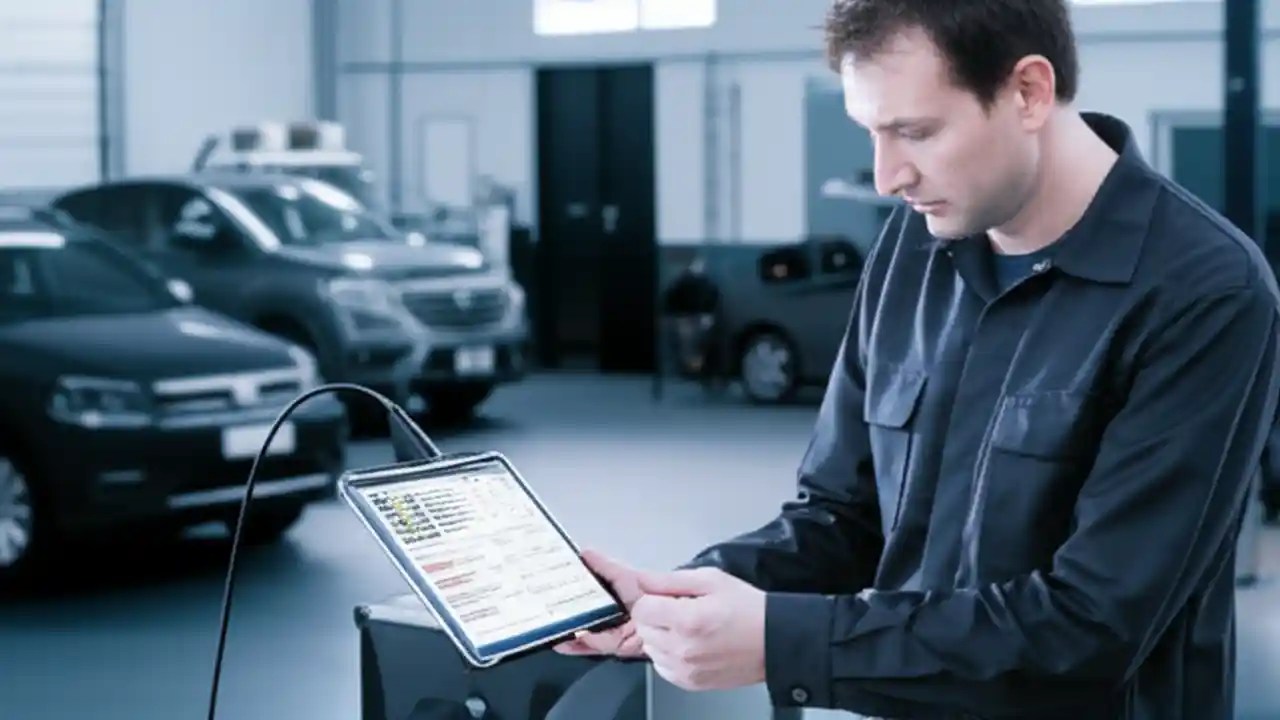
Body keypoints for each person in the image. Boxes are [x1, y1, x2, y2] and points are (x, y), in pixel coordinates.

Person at [557, 1, 1280, 718]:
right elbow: (842, 518)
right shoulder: (912, 248)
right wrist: (677, 598)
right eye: (872, 133)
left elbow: (1091, 626)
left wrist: (783, 643)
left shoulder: (1205, 291)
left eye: (915, 132)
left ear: (1028, 91)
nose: (885, 177)